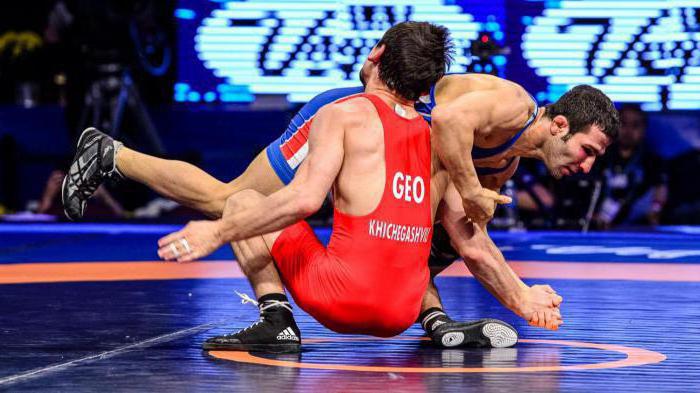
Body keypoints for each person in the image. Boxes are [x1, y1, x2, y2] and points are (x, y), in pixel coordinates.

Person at [63, 25, 620, 346]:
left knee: (434, 230)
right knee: (228, 199)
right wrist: (472, 190)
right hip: (365, 118)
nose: (586, 166)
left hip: (395, 138)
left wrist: (512, 280)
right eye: (587, 151)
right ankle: (114, 154)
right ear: (561, 124)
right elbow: (448, 123)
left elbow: (450, 230)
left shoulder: (505, 167)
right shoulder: (514, 105)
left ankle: (431, 317)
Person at [155, 20, 525, 352]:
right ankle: (436, 320)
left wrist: (217, 231)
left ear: (376, 53)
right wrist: (522, 298)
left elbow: (303, 199)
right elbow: (473, 246)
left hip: (339, 298)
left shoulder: (343, 114)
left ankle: (276, 323)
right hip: (402, 312)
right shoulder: (440, 139)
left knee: (244, 198)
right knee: (407, 239)